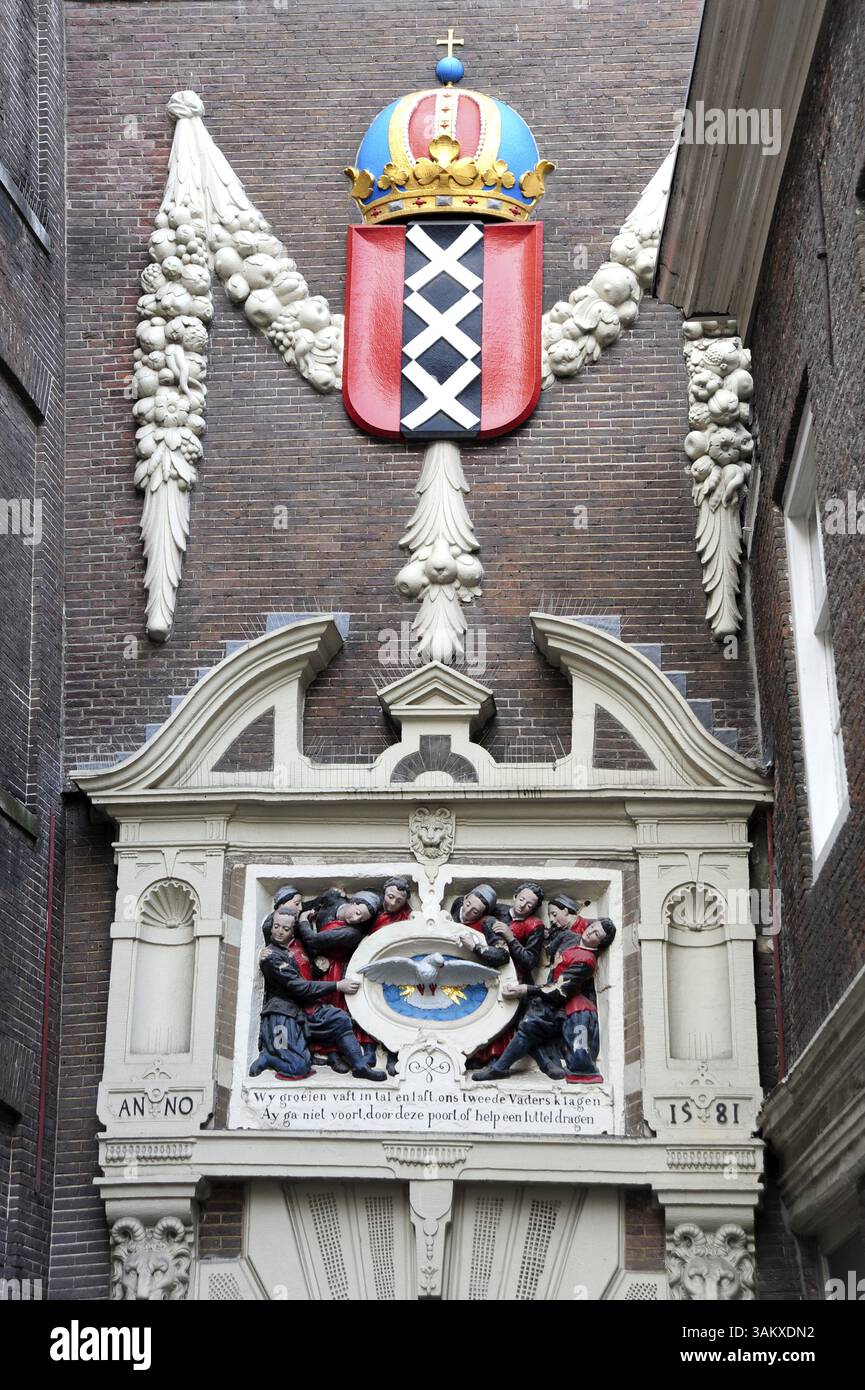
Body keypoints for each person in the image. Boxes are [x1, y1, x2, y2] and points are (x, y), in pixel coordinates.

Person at [471, 917, 616, 1083]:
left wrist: (526, 989)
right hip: (548, 998)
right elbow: (548, 950)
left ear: (600, 943)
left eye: (597, 933)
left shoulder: (586, 961)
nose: (591, 931)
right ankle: (515, 1066)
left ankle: (501, 1068)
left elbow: (560, 988)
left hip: (562, 1004)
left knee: (529, 1026)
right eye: (593, 927)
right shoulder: (572, 939)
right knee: (526, 1025)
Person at [249, 908, 386, 1082]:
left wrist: (306, 915)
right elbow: (300, 987)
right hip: (283, 1013)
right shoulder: (272, 957)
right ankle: (269, 1056)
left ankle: (360, 1066)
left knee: (339, 1019)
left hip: (307, 1008)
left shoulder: (297, 945)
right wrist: (337, 986)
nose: (279, 932)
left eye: (285, 928)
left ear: (293, 931)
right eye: (276, 926)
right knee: (297, 1068)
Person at [295, 891, 382, 1074]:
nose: (356, 919)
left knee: (335, 1009)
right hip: (316, 967)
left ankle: (336, 1053)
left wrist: (303, 921)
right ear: (354, 901)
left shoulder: (351, 932)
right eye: (358, 912)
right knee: (316, 1008)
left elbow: (313, 940)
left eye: (362, 919)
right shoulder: (334, 899)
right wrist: (297, 909)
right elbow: (313, 902)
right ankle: (328, 1052)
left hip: (336, 971)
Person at [355, 877, 413, 1075]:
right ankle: (368, 1049)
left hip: (394, 971)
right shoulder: (371, 909)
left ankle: (393, 1054)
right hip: (369, 965)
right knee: (366, 1006)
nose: (393, 903)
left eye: (399, 901)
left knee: (395, 1011)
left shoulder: (407, 916)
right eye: (390, 897)